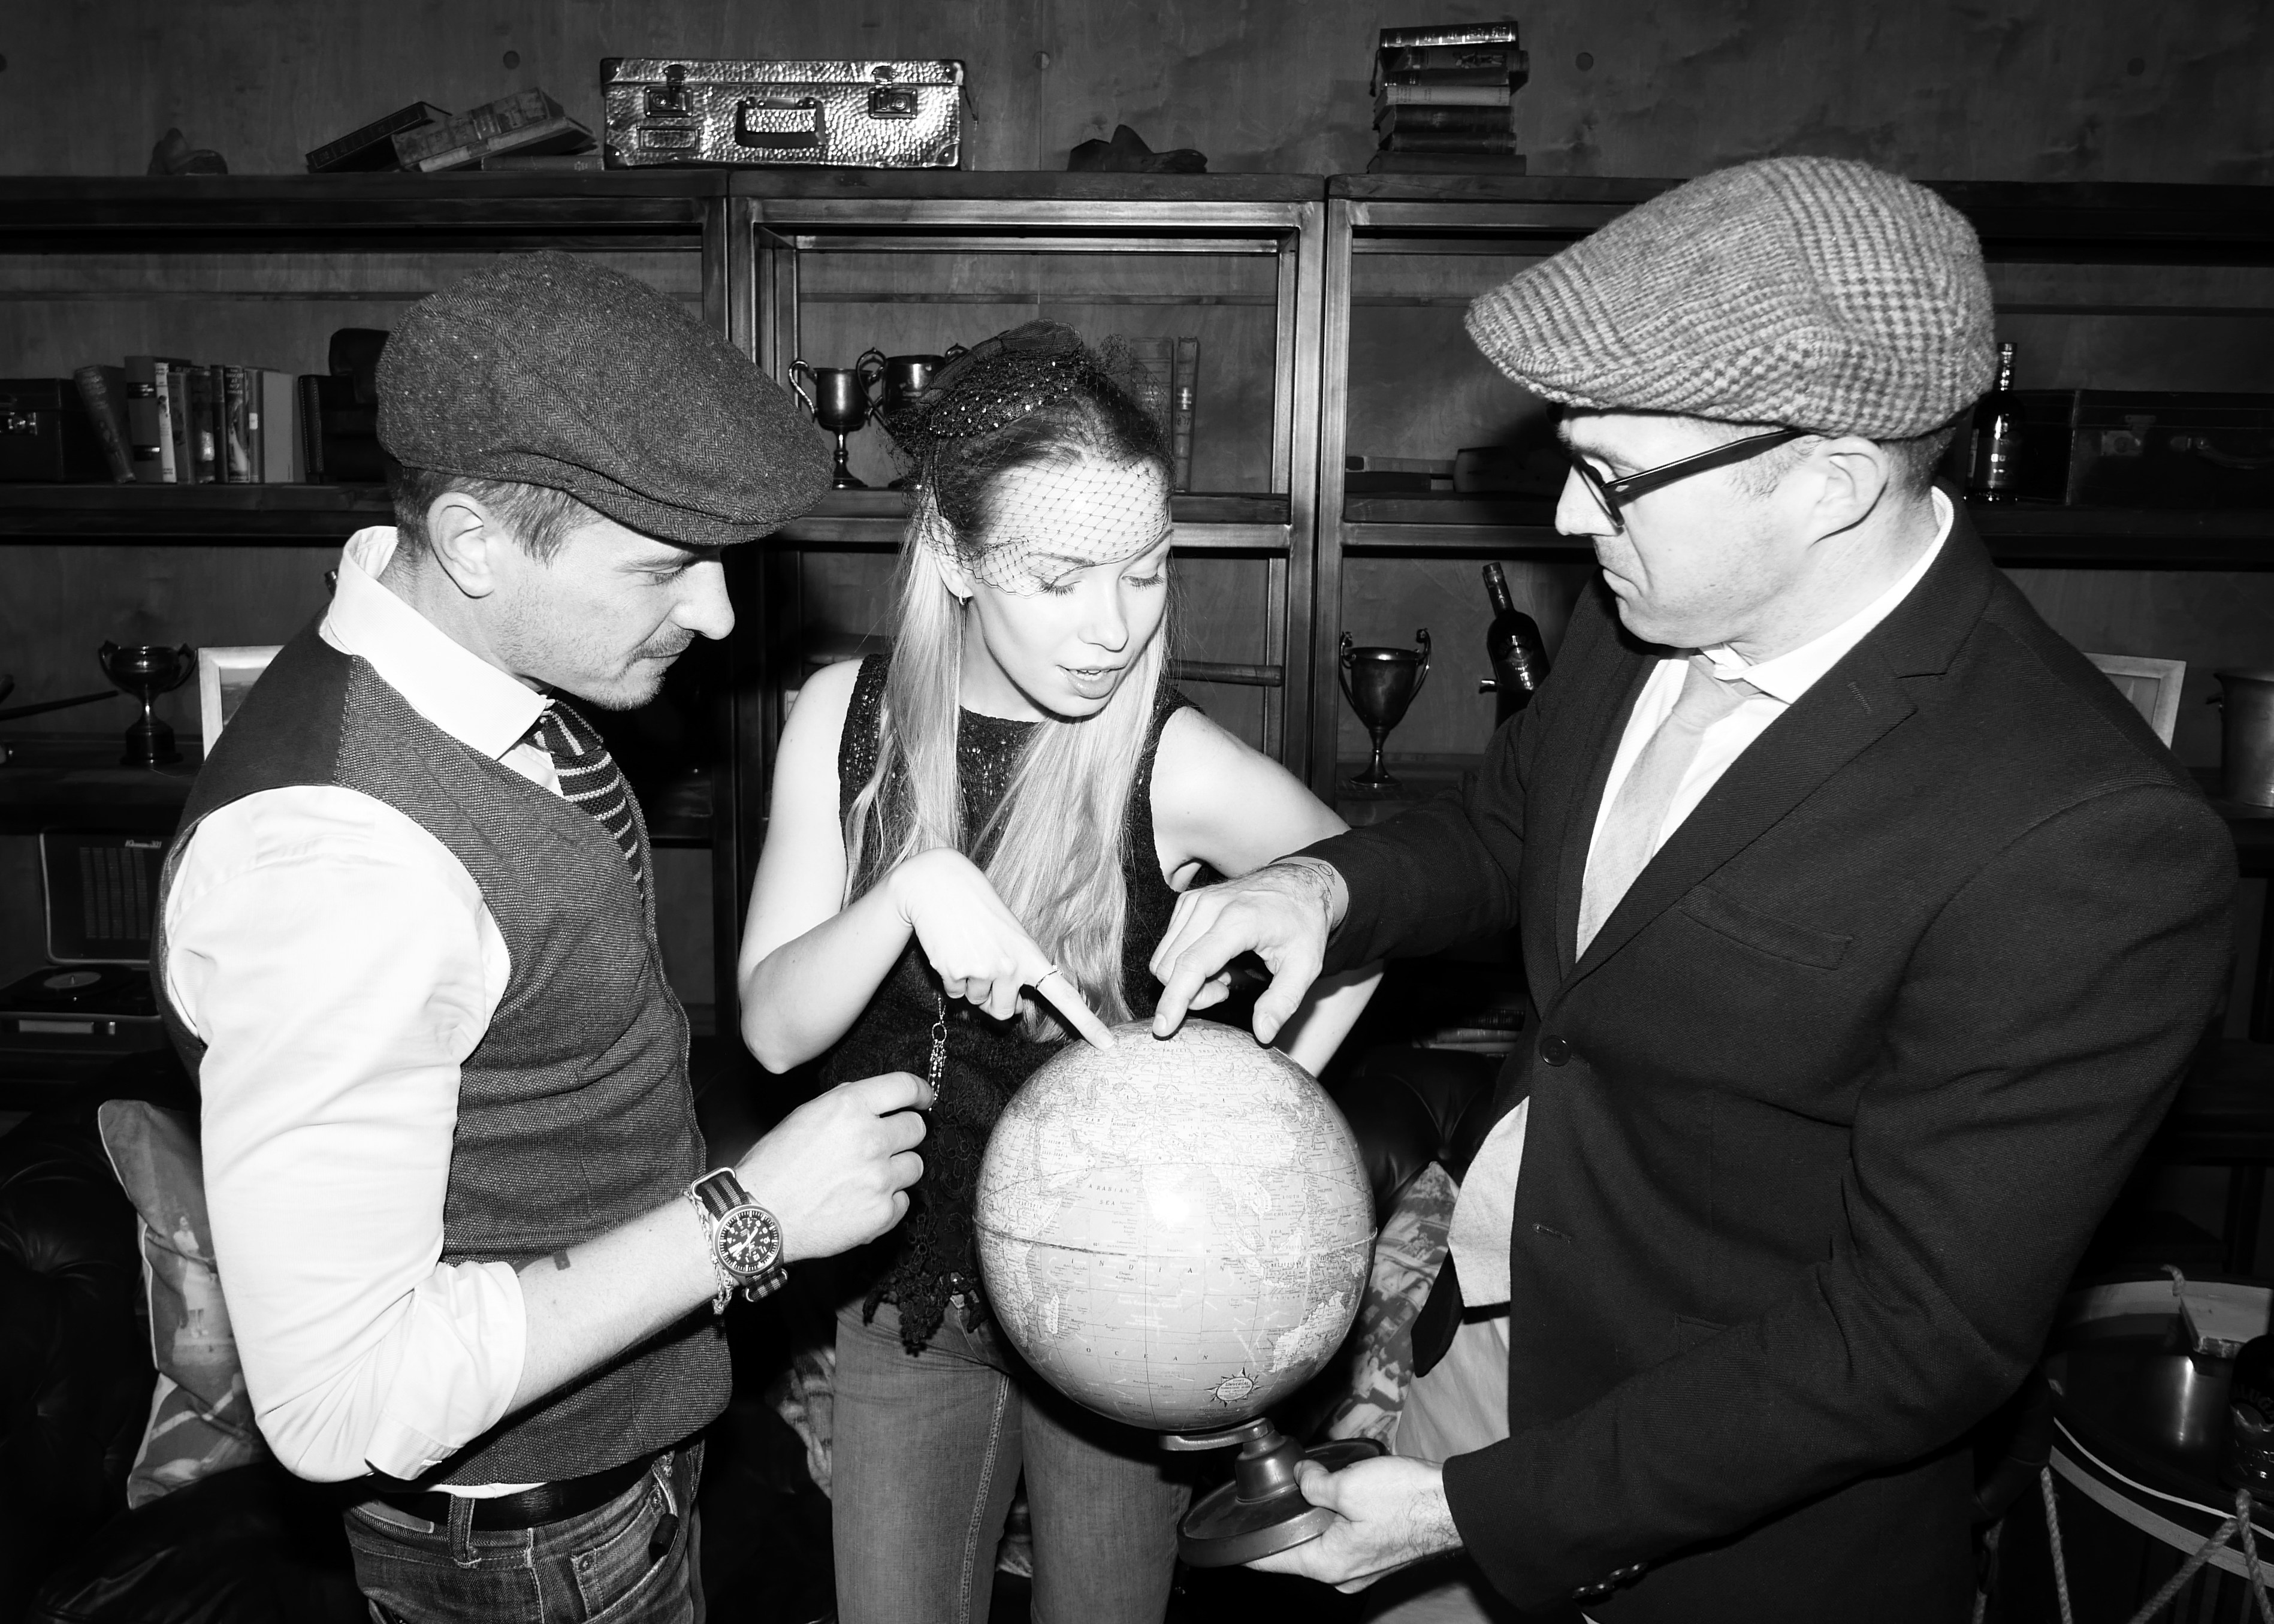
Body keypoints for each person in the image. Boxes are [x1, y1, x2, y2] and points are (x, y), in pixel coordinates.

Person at [1148, 158, 2237, 1620]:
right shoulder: (1654, 602)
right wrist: (1324, 889)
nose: (1563, 517)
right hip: (1475, 1356)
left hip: (1710, 1520)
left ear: (1829, 484)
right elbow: (1506, 824)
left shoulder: (2088, 838)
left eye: (1607, 473)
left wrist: (1473, 1513)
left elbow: (1910, 1332)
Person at [155, 252, 932, 1624]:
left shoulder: (483, 670)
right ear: (471, 541)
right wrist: (750, 1216)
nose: (717, 613)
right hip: (522, 1553)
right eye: (662, 567)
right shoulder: (339, 865)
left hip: (621, 1461)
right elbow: (340, 1401)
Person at [736, 322, 1381, 1624]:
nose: (1113, 627)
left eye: (1146, 572)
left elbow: (1364, 915)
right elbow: (772, 1031)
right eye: (1060, 578)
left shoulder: (1176, 762)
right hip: (908, 1294)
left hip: (1124, 1303)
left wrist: (1250, 1123)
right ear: (952, 555)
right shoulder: (842, 721)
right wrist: (909, 889)